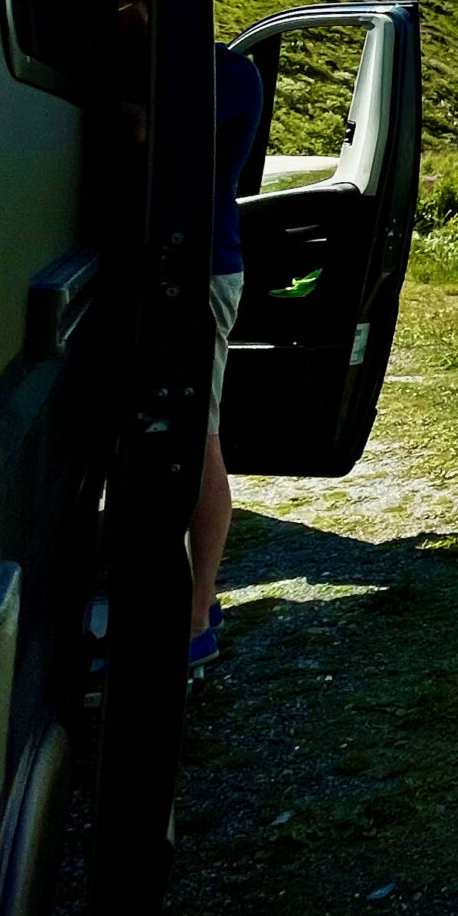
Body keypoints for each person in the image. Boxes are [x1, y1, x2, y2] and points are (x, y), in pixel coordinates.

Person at [190, 39, 264, 667]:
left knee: (197, 436)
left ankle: (192, 623)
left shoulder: (226, 73)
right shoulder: (211, 71)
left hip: (202, 269)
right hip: (186, 266)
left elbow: (144, 128)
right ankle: (197, 601)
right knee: (185, 433)